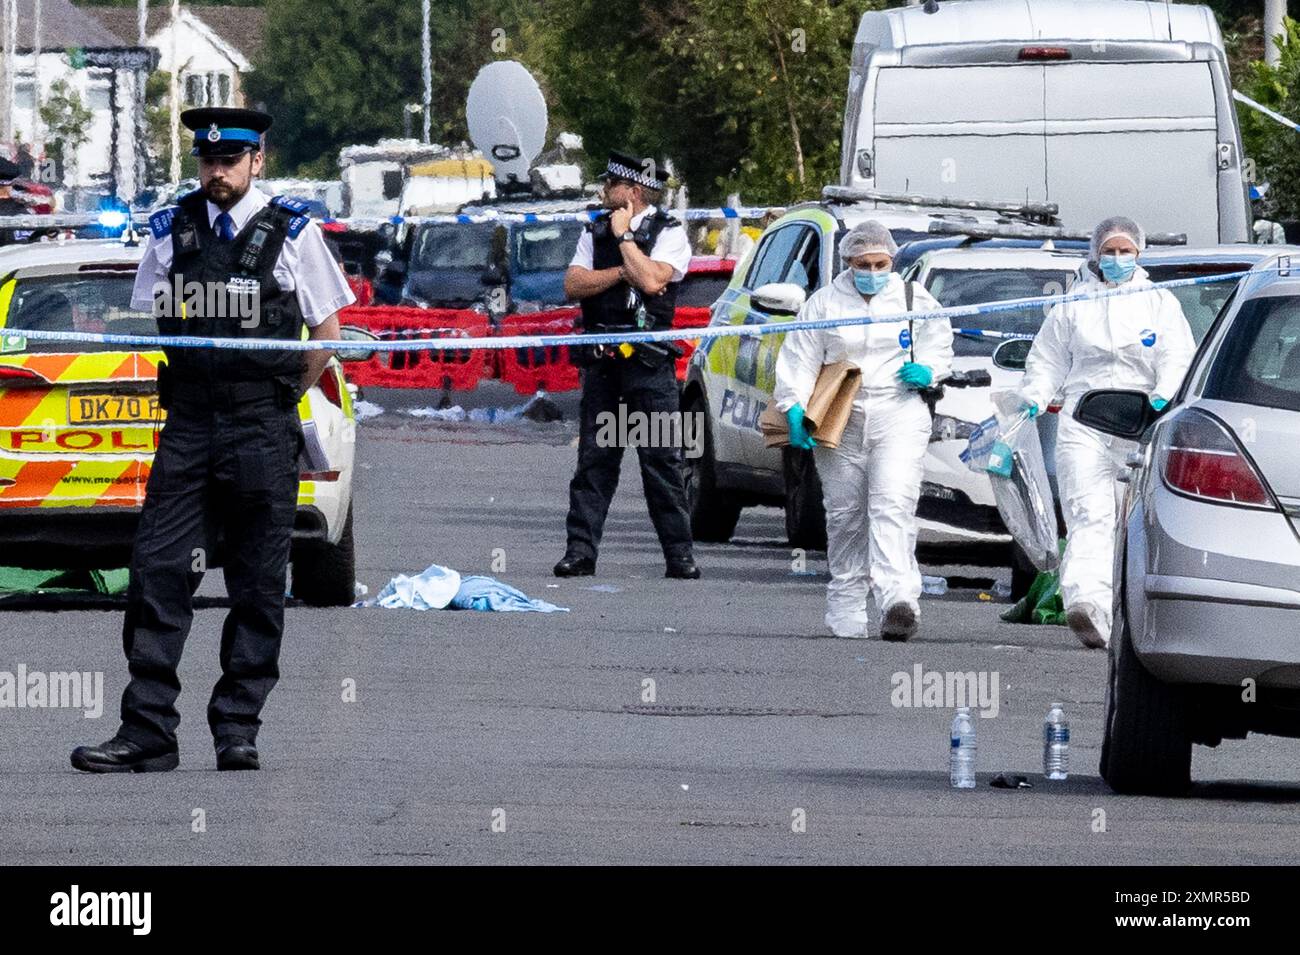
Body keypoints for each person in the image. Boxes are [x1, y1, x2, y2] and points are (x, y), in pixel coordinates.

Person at [71, 107, 356, 773]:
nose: (218, 171)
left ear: (258, 159)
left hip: (261, 424)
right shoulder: (172, 231)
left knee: (257, 581)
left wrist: (282, 394)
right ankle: (148, 730)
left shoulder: (294, 232)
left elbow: (329, 336)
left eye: (231, 159)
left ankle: (237, 726)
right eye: (208, 160)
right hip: (191, 424)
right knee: (158, 572)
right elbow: (146, 317)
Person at [1018, 216, 1195, 649]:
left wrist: (1164, 393)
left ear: (1139, 253)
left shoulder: (1159, 303)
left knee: (1131, 522)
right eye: (1109, 252)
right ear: (1096, 255)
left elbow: (1178, 353)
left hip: (1140, 423)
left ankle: (1123, 614)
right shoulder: (1073, 305)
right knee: (1088, 514)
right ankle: (1085, 604)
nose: (1116, 260)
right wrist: (1035, 394)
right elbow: (1047, 360)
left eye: (1124, 252)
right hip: (1084, 421)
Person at [774, 220, 953, 640]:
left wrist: (929, 370)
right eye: (864, 263)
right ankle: (847, 605)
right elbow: (800, 358)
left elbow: (940, 344)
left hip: (899, 411)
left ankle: (897, 600)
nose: (873, 271)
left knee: (893, 503)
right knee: (845, 515)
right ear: (848, 262)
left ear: (892, 261)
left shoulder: (914, 299)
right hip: (841, 417)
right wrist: (795, 407)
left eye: (881, 263)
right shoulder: (823, 305)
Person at [554, 149, 698, 580]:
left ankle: (679, 556)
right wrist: (621, 270)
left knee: (662, 463)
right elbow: (574, 284)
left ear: (632, 192)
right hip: (604, 368)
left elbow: (655, 281)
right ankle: (580, 553)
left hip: (649, 371)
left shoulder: (671, 233)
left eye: (611, 186)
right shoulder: (592, 232)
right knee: (595, 463)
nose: (603, 192)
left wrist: (624, 242)